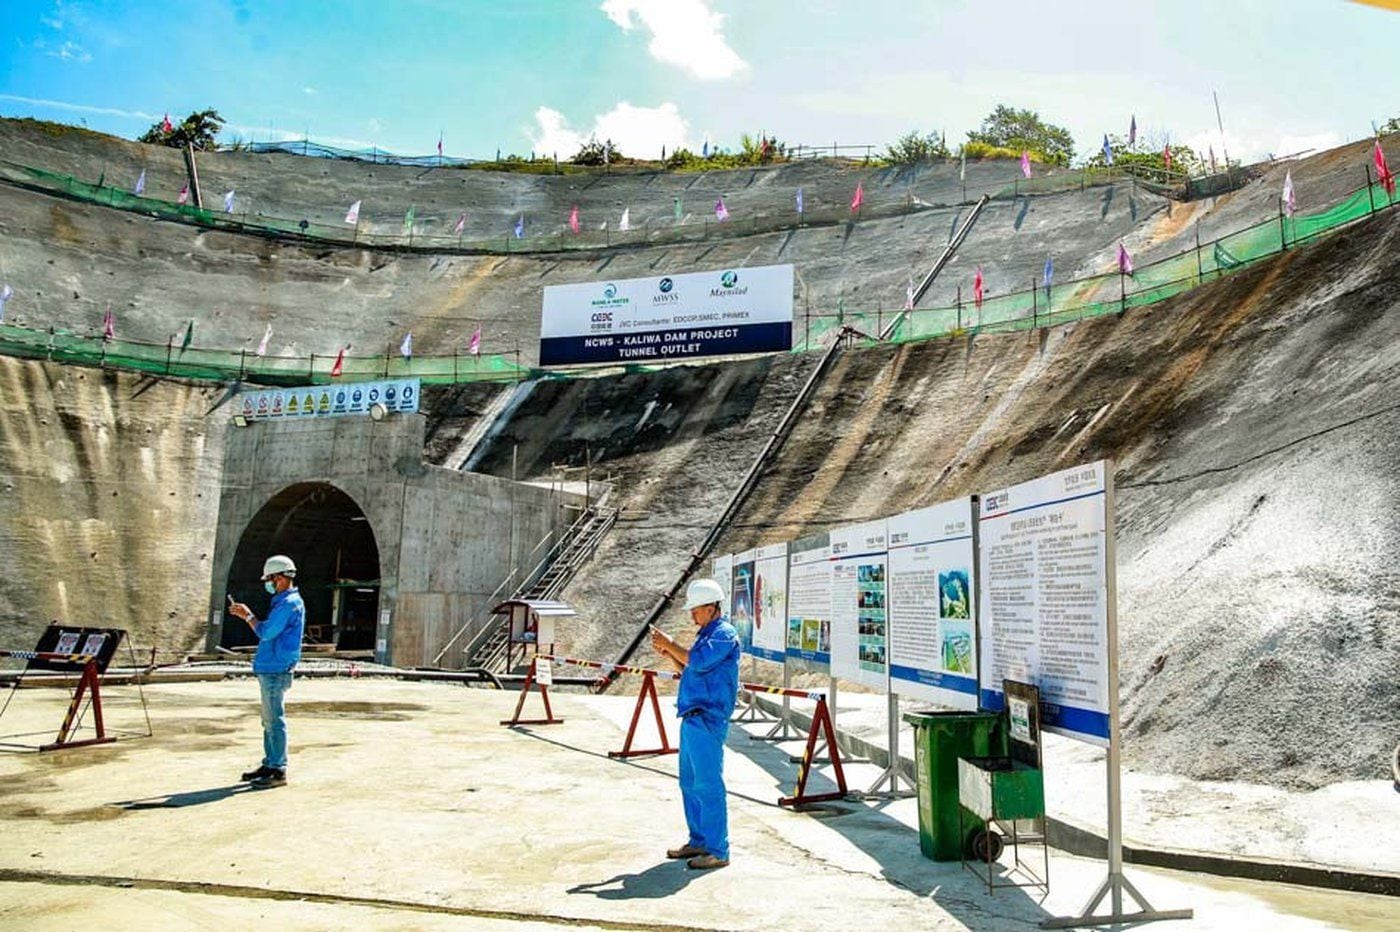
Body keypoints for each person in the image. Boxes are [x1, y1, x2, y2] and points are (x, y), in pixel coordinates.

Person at [650, 578, 740, 870]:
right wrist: (670, 654)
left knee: (708, 783)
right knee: (689, 783)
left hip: (708, 717)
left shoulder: (724, 634)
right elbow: (690, 668)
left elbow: (699, 662)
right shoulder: (707, 635)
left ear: (711, 608)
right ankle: (699, 840)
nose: (692, 615)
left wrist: (671, 644)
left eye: (696, 609)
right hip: (692, 716)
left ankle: (718, 850)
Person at [227, 554, 305, 789]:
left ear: (279, 578)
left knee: (274, 720)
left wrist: (248, 616)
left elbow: (267, 632)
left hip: (276, 667)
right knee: (268, 720)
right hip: (271, 666)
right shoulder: (283, 602)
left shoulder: (288, 604)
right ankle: (270, 763)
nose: (268, 585)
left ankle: (278, 769)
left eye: (269, 580)